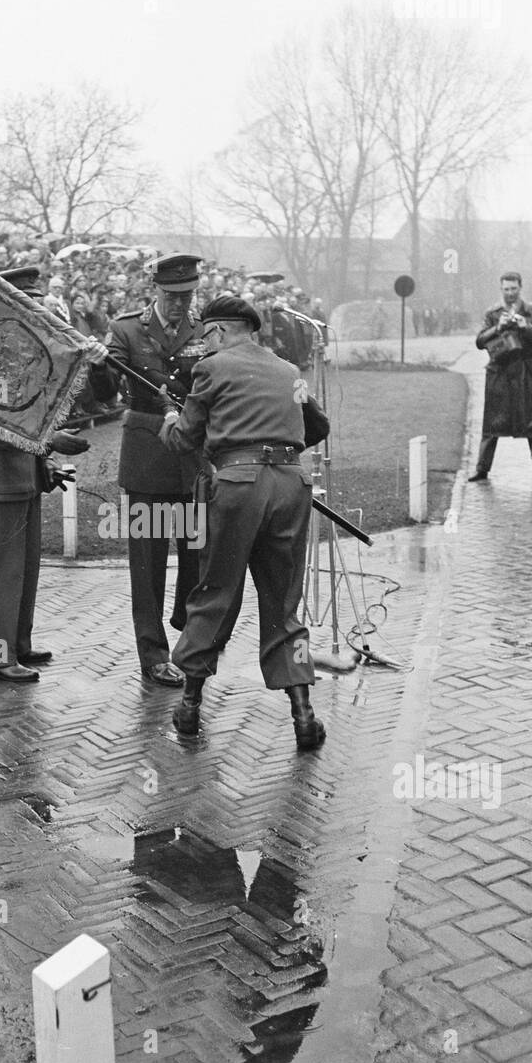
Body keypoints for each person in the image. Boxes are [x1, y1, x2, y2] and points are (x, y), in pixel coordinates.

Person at [158, 294, 324, 749]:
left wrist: (171, 413)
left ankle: (190, 706)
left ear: (217, 331)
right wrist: (275, 442)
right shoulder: (289, 371)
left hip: (237, 488)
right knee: (283, 603)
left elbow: (184, 438)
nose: (205, 345)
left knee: (216, 592)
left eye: (206, 336)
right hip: (291, 486)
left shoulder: (210, 369)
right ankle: (303, 714)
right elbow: (318, 426)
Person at [0, 265, 105, 683]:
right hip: (0, 471)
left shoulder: (18, 348)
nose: (40, 314)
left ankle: (17, 643)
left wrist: (44, 454)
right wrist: (51, 440)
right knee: (2, 570)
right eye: (32, 305)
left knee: (24, 568)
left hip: (21, 472)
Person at [88, 253, 208, 687]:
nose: (179, 304)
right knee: (148, 565)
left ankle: (185, 629)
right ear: (154, 291)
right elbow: (104, 392)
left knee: (197, 557)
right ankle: (153, 654)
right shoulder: (125, 330)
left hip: (192, 457)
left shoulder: (204, 331)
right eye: (171, 296)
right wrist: (99, 365)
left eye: (187, 295)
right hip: (147, 457)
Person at [469, 271, 532, 481]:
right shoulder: (493, 312)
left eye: (513, 288)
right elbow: (479, 341)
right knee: (492, 422)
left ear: (520, 287)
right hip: (500, 371)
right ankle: (482, 469)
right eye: (506, 289)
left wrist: (526, 326)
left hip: (528, 371)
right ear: (501, 289)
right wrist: (498, 327)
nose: (510, 293)